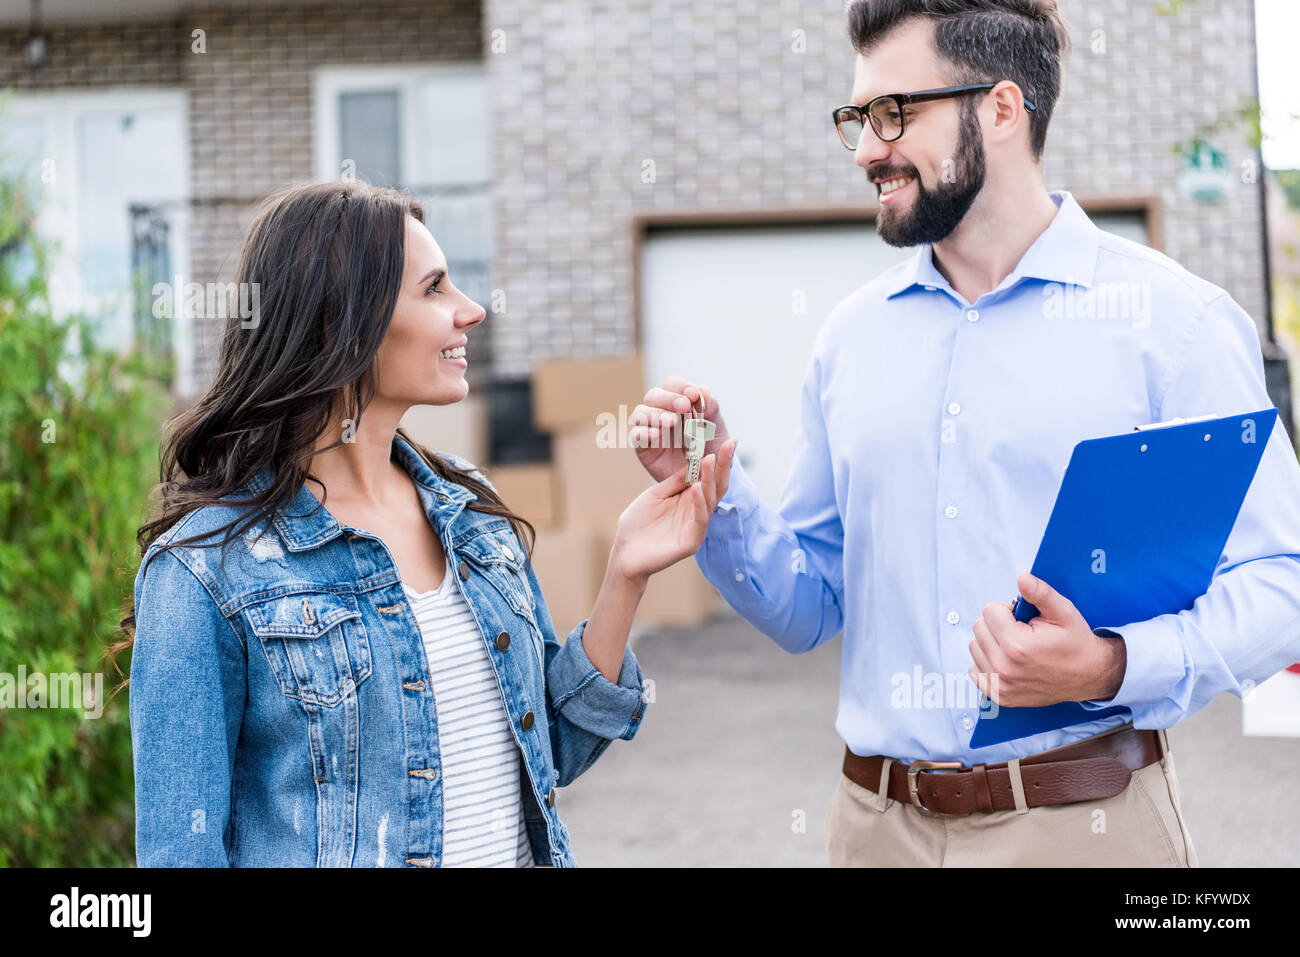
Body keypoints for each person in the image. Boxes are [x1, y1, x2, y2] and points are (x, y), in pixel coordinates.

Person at [632, 0, 1300, 866]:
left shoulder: (1174, 326)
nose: (868, 149)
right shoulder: (850, 340)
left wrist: (1112, 665)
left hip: (1084, 826)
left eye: (893, 113)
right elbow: (807, 606)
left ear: (1001, 108)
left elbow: (1281, 582)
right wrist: (715, 490)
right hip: (875, 829)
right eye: (858, 119)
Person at [119, 179, 735, 867]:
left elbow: (553, 751)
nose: (470, 311)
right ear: (340, 323)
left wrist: (626, 571)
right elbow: (182, 854)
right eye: (435, 288)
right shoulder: (203, 571)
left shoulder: (472, 511)